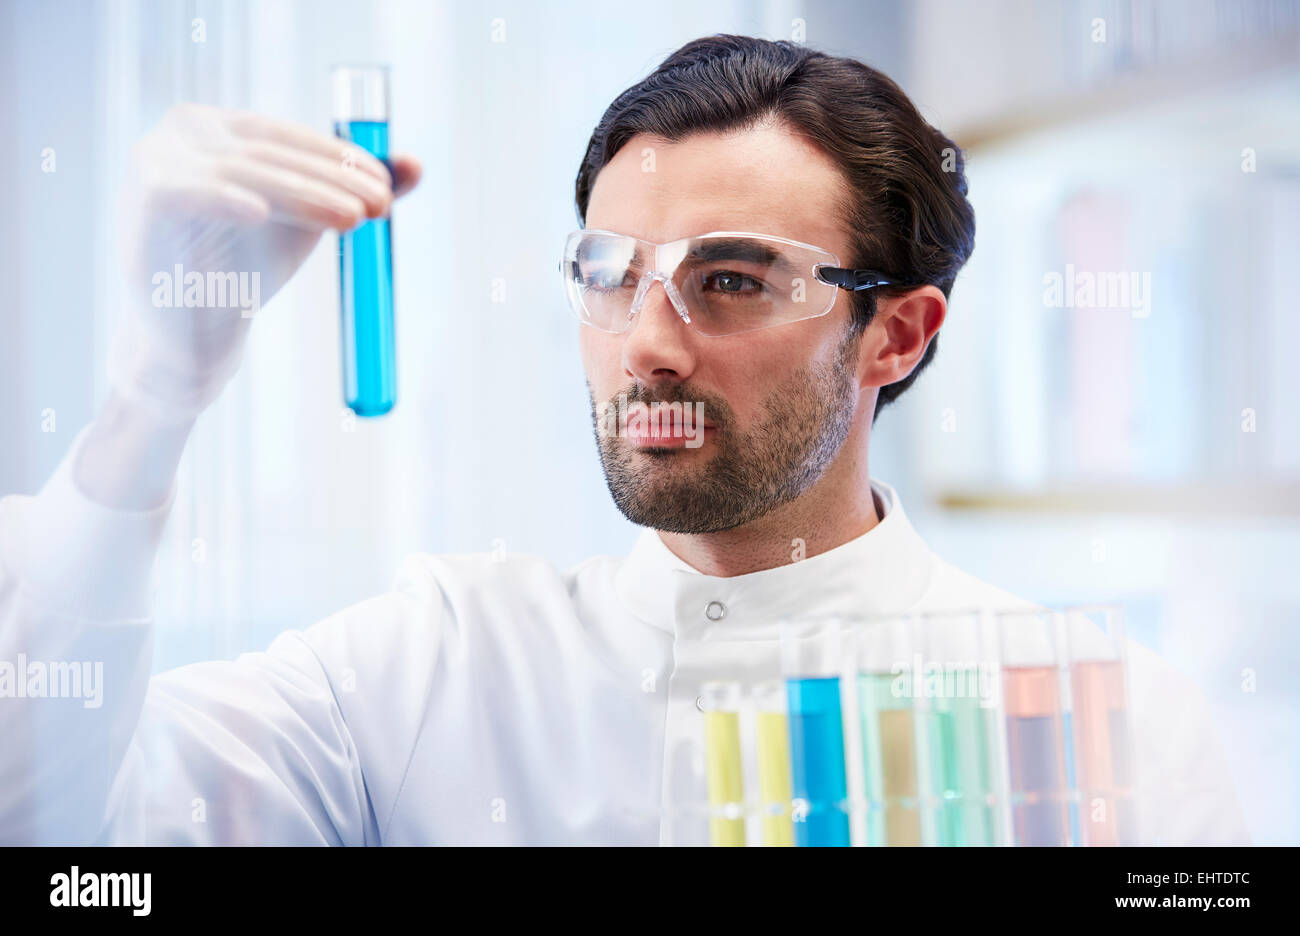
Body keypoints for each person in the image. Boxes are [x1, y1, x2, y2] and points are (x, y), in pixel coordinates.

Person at [0, 35, 1246, 845]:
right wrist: (150, 395)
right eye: (609, 273)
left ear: (896, 336)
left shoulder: (1107, 728)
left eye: (734, 279)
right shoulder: (428, 671)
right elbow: (59, 838)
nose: (646, 341)